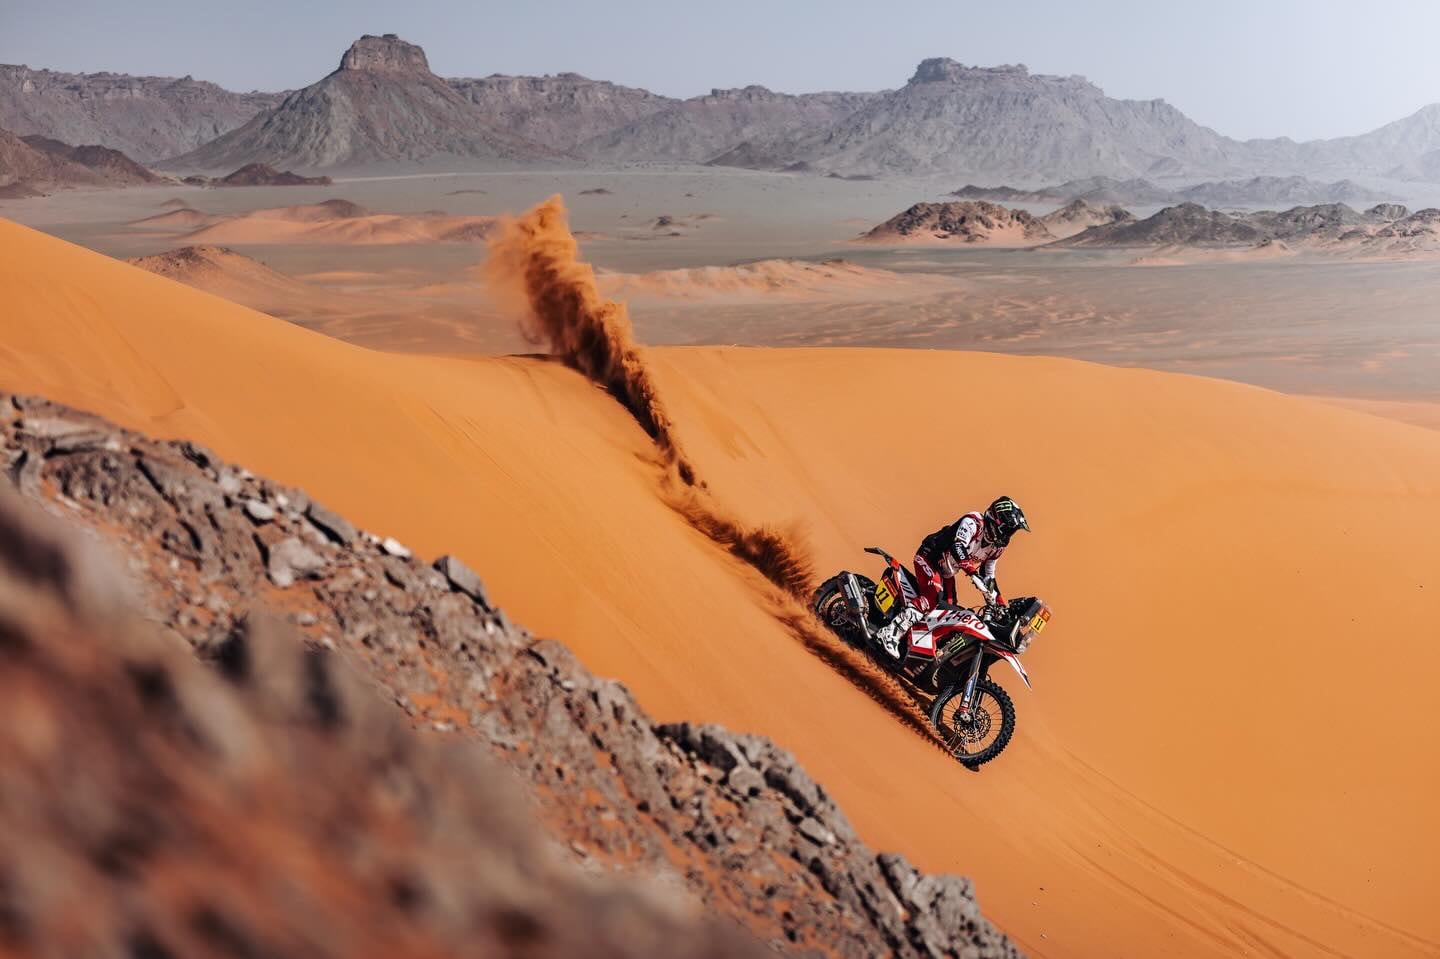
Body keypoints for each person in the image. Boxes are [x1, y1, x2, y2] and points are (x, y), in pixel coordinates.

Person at [873, 496, 1030, 659]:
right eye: (1008, 529)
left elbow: (989, 574)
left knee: (950, 613)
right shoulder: (974, 522)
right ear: (997, 520)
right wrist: (972, 573)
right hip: (929, 557)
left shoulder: (997, 548)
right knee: (932, 598)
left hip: (947, 571)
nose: (1008, 534)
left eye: (1012, 531)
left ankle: (916, 644)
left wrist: (1000, 604)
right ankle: (890, 633)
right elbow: (958, 546)